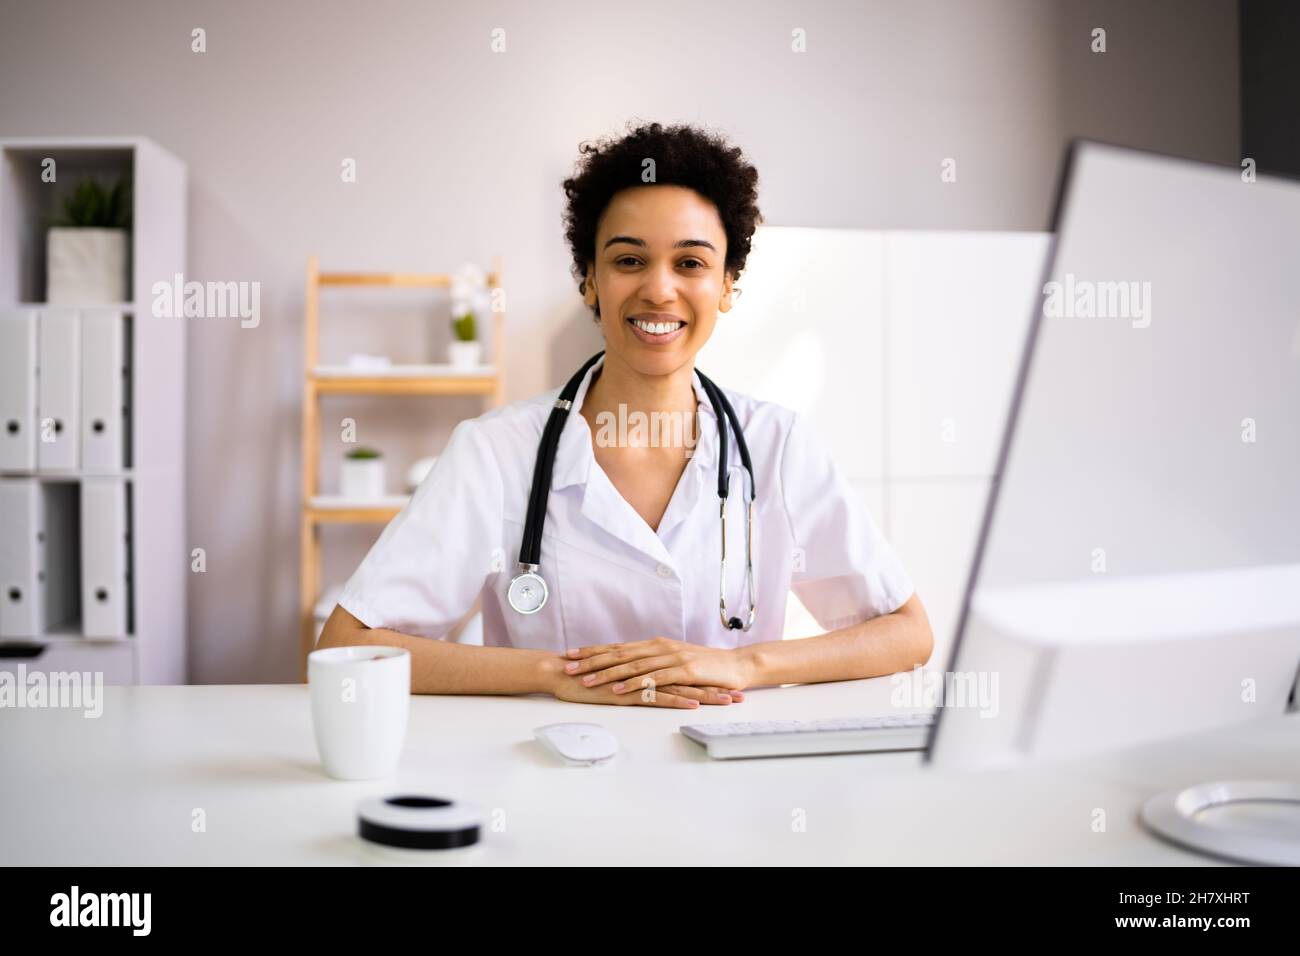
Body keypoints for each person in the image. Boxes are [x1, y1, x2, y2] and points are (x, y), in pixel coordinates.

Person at [319, 121, 933, 707]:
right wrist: (556, 675)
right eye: (628, 260)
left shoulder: (776, 445)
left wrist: (744, 664)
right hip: (551, 775)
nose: (659, 290)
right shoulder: (497, 452)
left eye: (690, 263)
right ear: (590, 279)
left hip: (726, 789)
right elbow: (352, 642)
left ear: (726, 284)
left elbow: (907, 633)